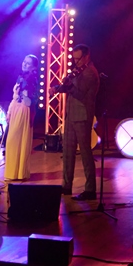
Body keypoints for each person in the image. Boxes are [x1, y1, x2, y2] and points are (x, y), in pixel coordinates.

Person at [55, 44, 99, 199]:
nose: (76, 62)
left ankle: (90, 190)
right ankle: (66, 186)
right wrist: (57, 88)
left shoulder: (90, 73)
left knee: (85, 152)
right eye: (74, 59)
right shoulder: (78, 71)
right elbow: (68, 87)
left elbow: (79, 93)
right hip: (71, 115)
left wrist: (68, 86)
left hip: (82, 115)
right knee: (67, 151)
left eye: (78, 59)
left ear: (87, 56)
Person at [4, 54, 39, 181]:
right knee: (12, 142)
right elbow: (14, 97)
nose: (24, 64)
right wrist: (9, 111)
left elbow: (30, 102)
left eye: (28, 63)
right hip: (15, 109)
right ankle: (13, 173)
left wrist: (22, 94)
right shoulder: (21, 77)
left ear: (33, 67)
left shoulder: (32, 80)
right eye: (24, 61)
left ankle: (18, 173)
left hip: (23, 111)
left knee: (14, 141)